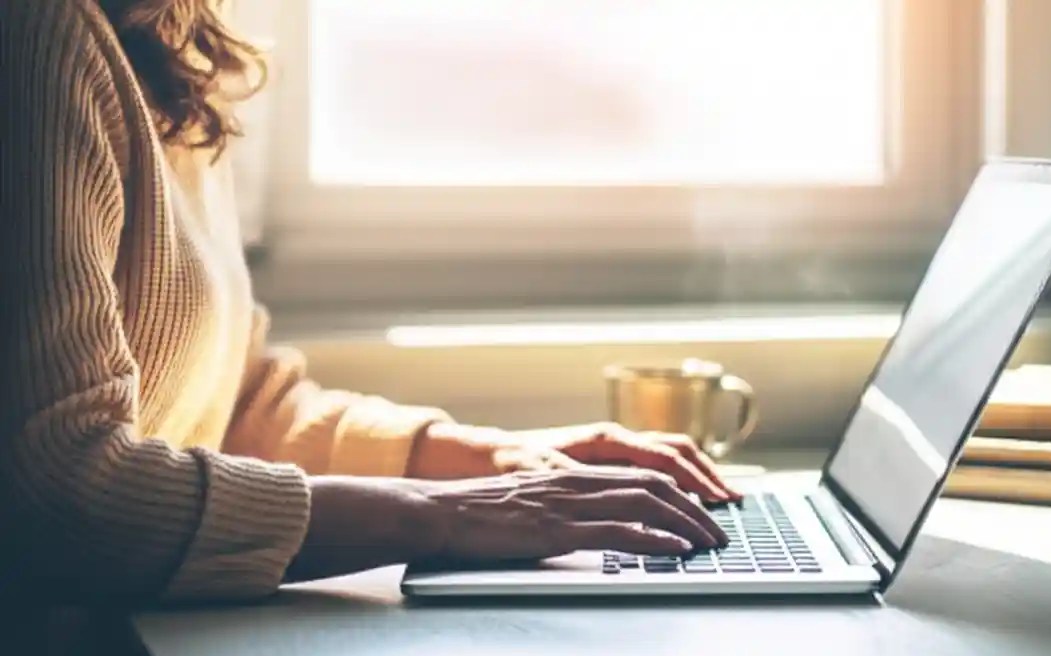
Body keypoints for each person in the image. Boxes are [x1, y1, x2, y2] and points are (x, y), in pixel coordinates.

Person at [0, 0, 736, 603]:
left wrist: (492, 461)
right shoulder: (37, 35)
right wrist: (442, 516)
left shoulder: (176, 45)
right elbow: (62, 500)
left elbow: (238, 408)